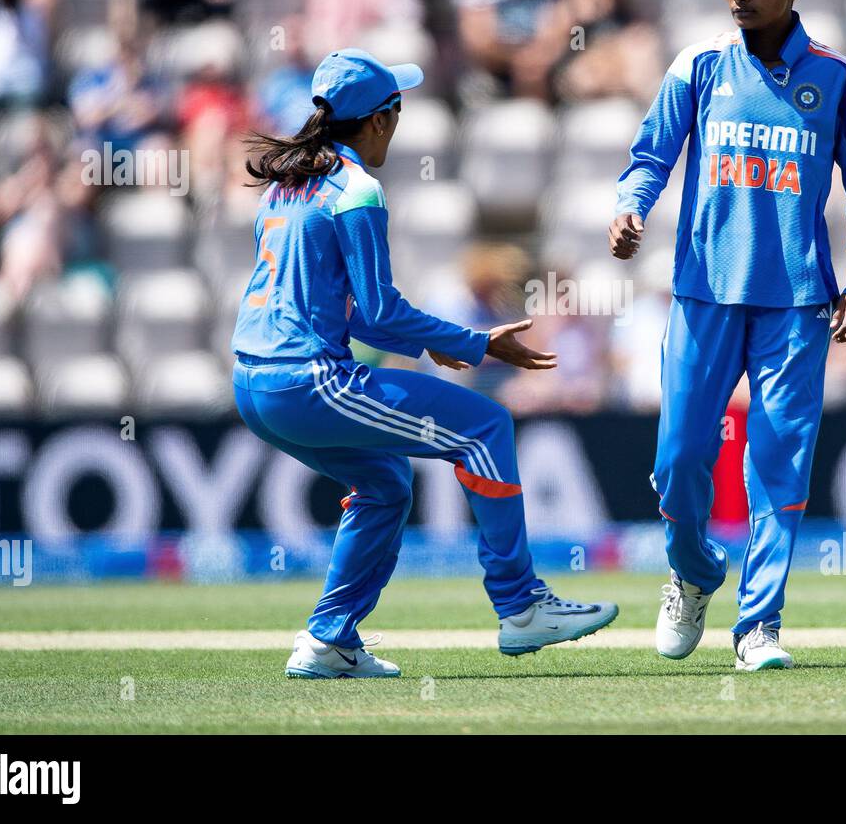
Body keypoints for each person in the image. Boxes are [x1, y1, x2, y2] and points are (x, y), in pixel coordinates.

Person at [232, 49, 617, 678]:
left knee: (385, 484)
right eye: (397, 110)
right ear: (380, 119)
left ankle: (329, 641)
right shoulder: (357, 190)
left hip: (253, 384)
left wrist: (437, 340)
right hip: (308, 381)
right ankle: (521, 607)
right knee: (485, 427)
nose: (400, 123)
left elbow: (331, 308)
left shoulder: (286, 187)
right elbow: (380, 314)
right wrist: (474, 342)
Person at [609, 0, 846, 671]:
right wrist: (631, 206)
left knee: (776, 466)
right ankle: (694, 570)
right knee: (678, 458)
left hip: (797, 303)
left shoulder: (835, 80)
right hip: (703, 292)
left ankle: (758, 626)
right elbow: (650, 156)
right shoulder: (697, 65)